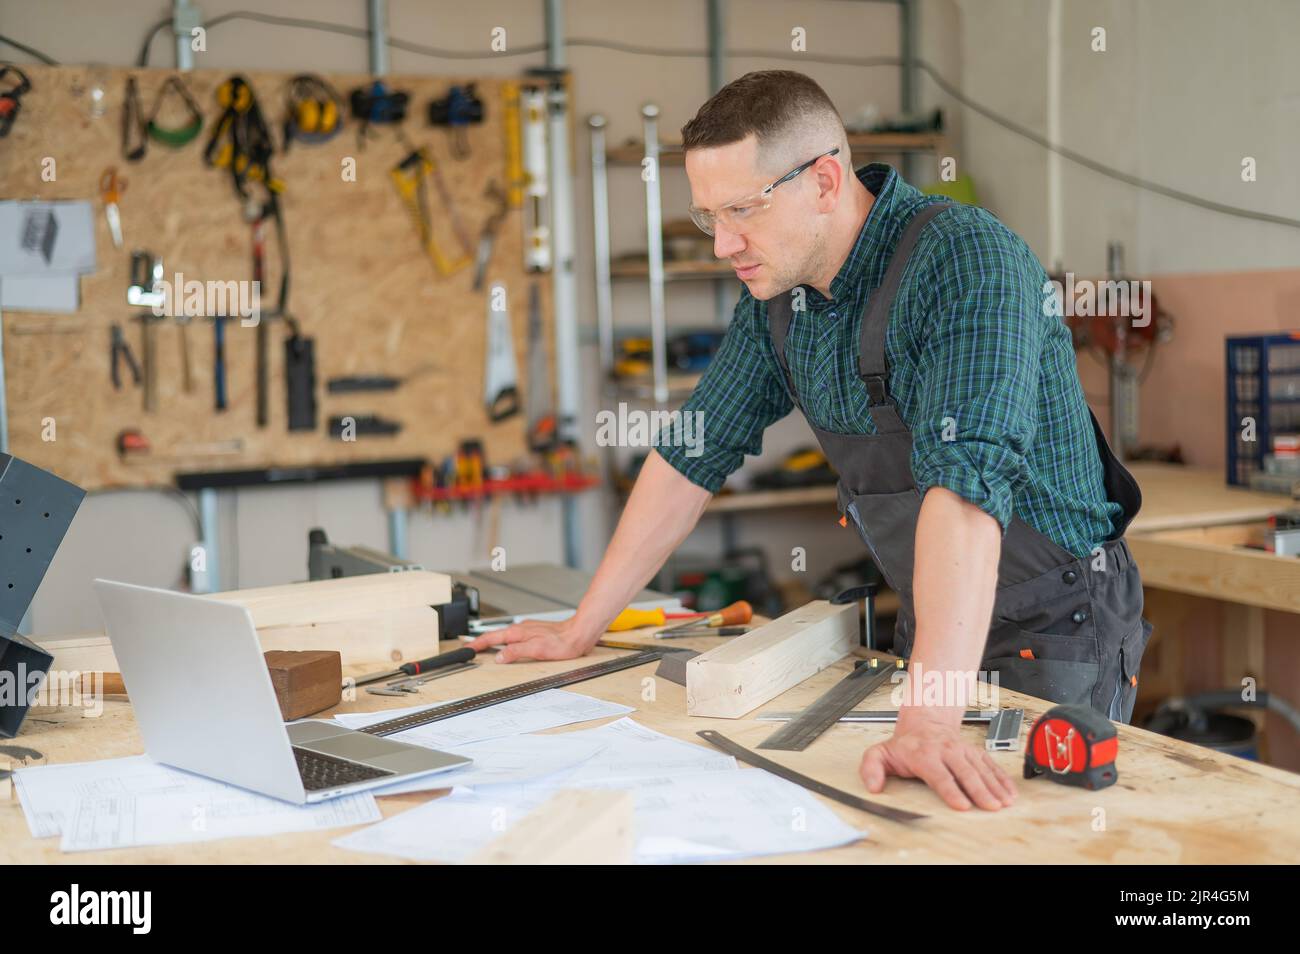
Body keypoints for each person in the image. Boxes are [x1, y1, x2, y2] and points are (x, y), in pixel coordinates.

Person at [470, 70, 1151, 812]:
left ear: (825, 180)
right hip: (934, 611)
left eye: (741, 211)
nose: (724, 243)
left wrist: (927, 719)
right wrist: (582, 628)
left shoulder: (965, 263)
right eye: (708, 218)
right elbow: (691, 452)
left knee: (1037, 835)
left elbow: (966, 488)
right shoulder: (781, 298)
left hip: (1054, 621)